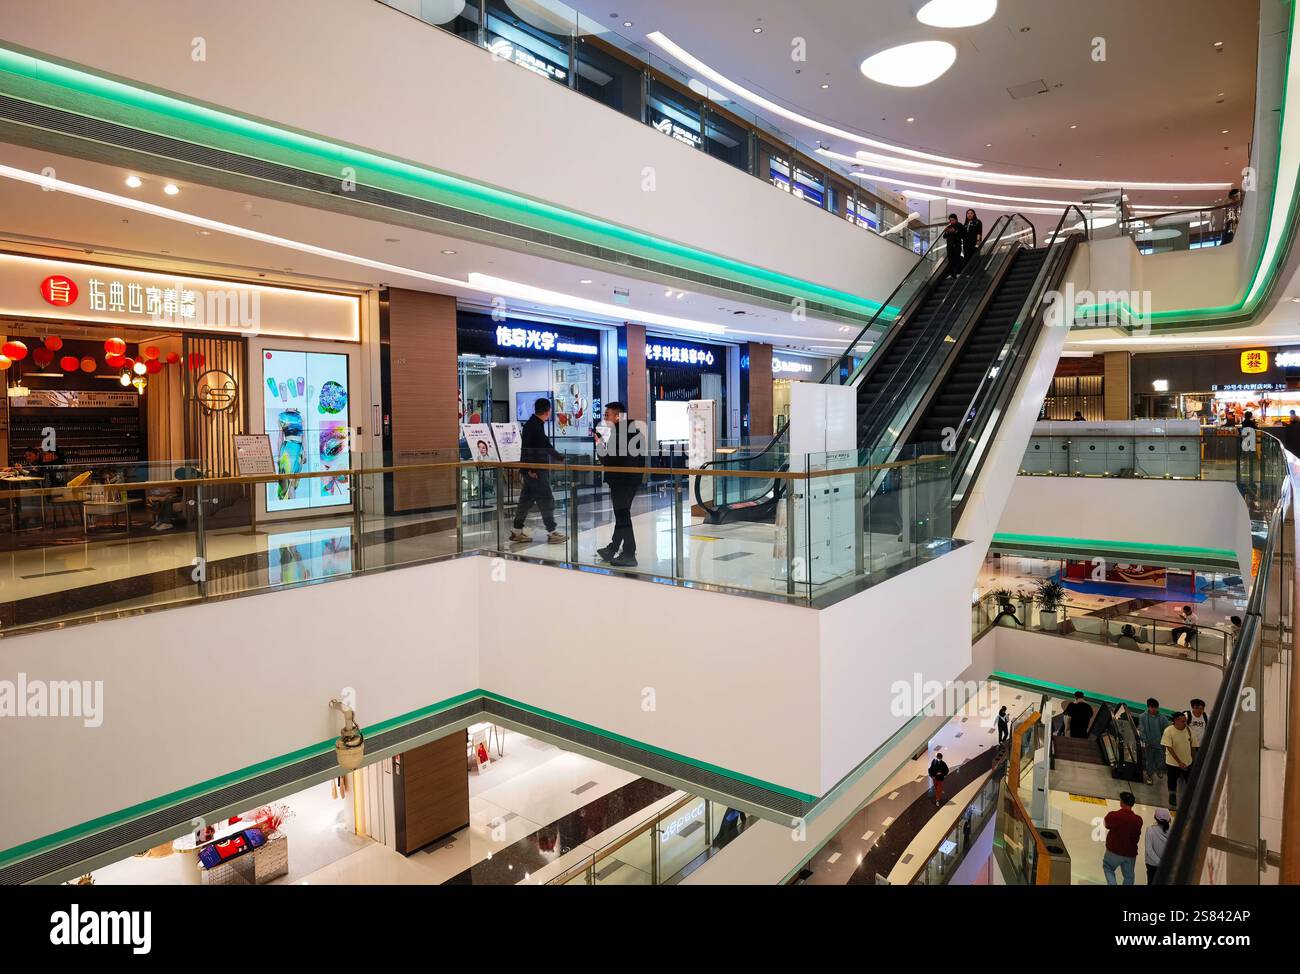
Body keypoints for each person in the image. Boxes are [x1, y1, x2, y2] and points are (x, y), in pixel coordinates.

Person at [509, 397, 567, 545]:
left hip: (533, 469)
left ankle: (516, 531)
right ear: (548, 411)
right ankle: (552, 532)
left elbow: (545, 445)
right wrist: (531, 469)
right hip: (535, 471)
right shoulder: (533, 425)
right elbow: (528, 449)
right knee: (546, 499)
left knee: (526, 500)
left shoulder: (535, 424)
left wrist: (559, 457)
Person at [594, 401, 644, 568]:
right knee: (623, 515)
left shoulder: (619, 434)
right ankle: (613, 547)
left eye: (607, 415)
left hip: (621, 481)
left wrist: (599, 444)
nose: (604, 418)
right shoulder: (634, 432)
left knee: (622, 516)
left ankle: (629, 553)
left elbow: (608, 461)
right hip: (631, 480)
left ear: (617, 416)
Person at [1101, 791, 1142, 886]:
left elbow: (1106, 824)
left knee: (1108, 867)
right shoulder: (1138, 820)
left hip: (1113, 851)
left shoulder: (1113, 815)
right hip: (1130, 854)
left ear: (1121, 802)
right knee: (1129, 876)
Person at [1161, 712, 1195, 808]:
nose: (1185, 723)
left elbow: (1193, 745)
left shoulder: (1188, 730)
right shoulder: (1169, 731)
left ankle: (1191, 797)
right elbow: (1169, 748)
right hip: (1173, 763)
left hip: (1187, 762)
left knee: (1190, 780)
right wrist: (1179, 762)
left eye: (1186, 721)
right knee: (1172, 780)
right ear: (1176, 721)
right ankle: (1172, 794)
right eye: (1183, 721)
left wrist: (1193, 759)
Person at [1136, 698, 1170, 785]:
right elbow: (1142, 729)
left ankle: (1159, 770)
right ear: (1149, 707)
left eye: (1156, 707)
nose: (1155, 709)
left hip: (1160, 744)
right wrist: (1145, 740)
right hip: (1149, 743)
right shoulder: (1143, 717)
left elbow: (1166, 731)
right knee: (1149, 761)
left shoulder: (1163, 718)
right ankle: (1149, 776)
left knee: (1160, 760)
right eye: (1153, 707)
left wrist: (1165, 743)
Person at [1145, 807, 1172, 884]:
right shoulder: (1172, 831)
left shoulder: (1150, 830)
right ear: (1169, 819)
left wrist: (1158, 862)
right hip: (1166, 864)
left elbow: (1149, 849)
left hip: (1152, 864)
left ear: (1155, 818)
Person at [942, 213, 963, 278]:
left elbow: (961, 235)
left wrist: (954, 231)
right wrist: (946, 232)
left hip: (957, 245)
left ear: (956, 219)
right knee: (950, 260)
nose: (951, 222)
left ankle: (958, 272)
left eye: (953, 220)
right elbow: (944, 236)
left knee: (957, 259)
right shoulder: (949, 226)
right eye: (950, 220)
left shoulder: (959, 225)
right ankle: (951, 274)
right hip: (949, 246)